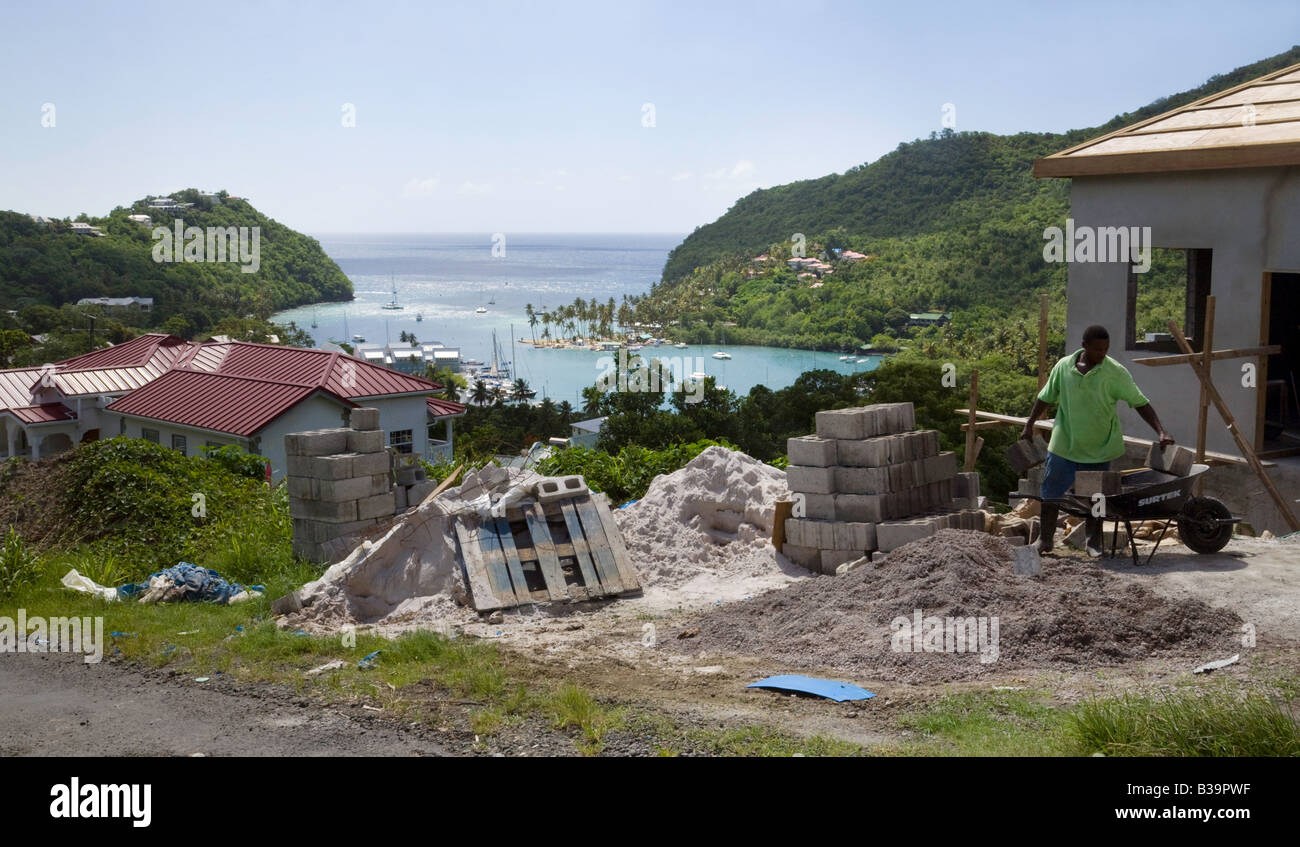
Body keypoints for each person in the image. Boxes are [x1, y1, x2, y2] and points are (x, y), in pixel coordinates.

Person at [1021, 324, 1175, 556]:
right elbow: (1045, 397)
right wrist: (1029, 424)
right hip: (1064, 445)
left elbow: (1140, 403)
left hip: (1099, 449)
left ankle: (1093, 542)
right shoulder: (1063, 367)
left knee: (1097, 498)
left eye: (1105, 349)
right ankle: (1045, 540)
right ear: (1084, 346)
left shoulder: (1115, 373)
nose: (1102, 354)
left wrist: (1161, 431)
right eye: (1097, 349)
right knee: (1050, 493)